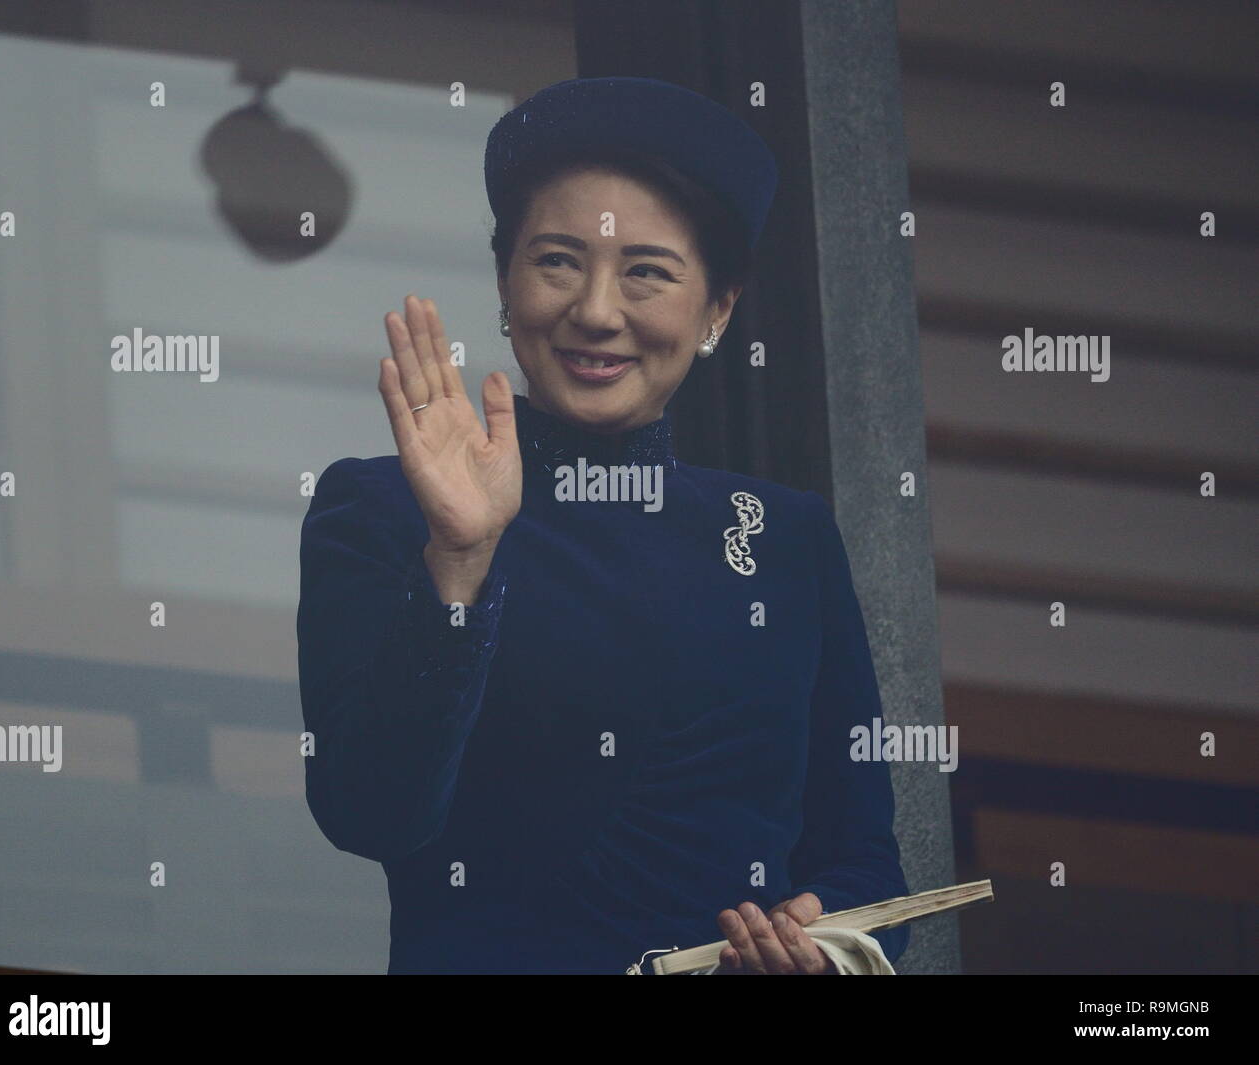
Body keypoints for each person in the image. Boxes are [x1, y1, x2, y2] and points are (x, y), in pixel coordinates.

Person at [297, 76, 911, 974]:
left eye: (647, 273)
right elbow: (367, 811)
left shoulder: (785, 538)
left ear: (719, 308)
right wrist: (461, 560)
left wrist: (825, 948)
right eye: (556, 260)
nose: (594, 309)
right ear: (506, 282)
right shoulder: (385, 509)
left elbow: (864, 861)